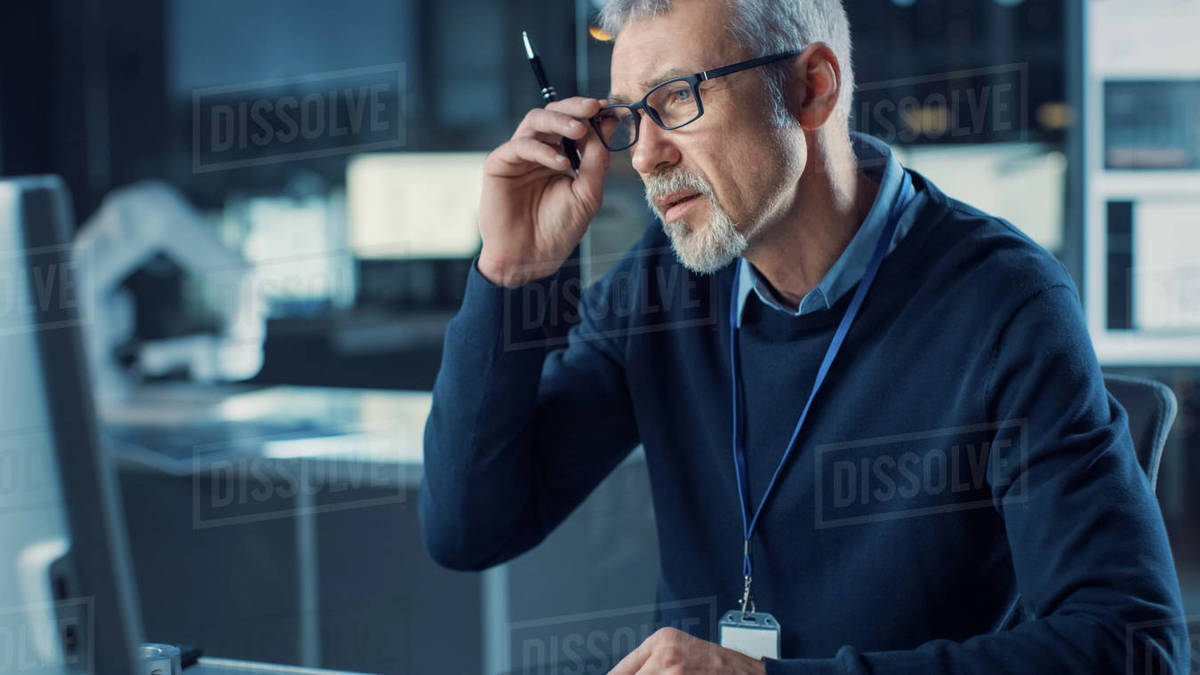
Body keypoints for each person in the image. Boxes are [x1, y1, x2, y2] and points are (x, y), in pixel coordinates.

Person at [419, 0, 1188, 672]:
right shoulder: (666, 279)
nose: (647, 154)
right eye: (631, 115)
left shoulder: (1003, 302)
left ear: (812, 88)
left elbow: (1132, 645)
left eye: (678, 98)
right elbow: (468, 528)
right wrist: (508, 275)